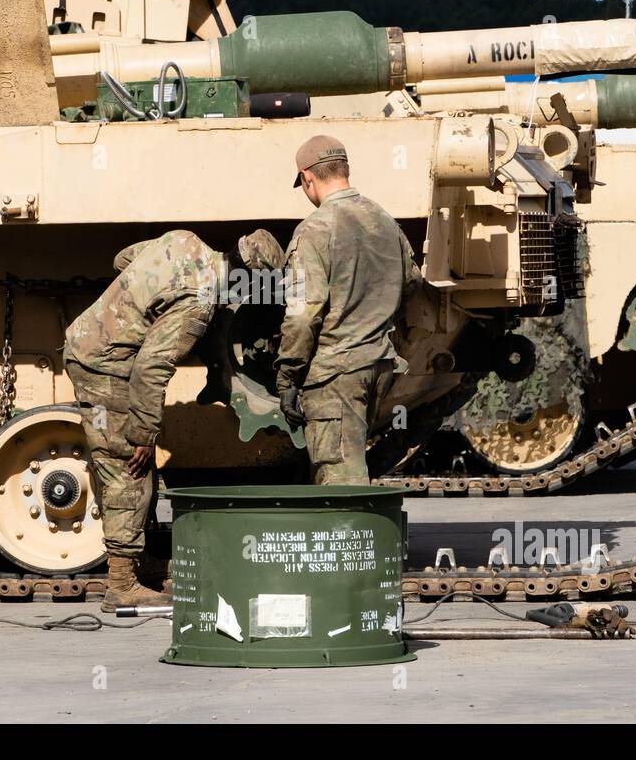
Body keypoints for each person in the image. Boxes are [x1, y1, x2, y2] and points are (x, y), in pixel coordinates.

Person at [65, 228, 285, 611]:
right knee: (127, 466)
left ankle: (136, 559)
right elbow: (151, 368)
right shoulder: (199, 303)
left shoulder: (185, 240)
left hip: (90, 346)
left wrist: (137, 303)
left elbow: (123, 258)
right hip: (103, 366)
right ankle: (121, 584)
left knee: (133, 465)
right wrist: (143, 433)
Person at [275, 135, 422, 484]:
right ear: (345, 170)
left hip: (336, 373)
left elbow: (303, 314)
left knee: (340, 480)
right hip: (379, 365)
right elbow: (412, 283)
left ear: (308, 178)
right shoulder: (384, 220)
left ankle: (355, 538)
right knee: (355, 462)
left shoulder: (314, 230)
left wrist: (288, 379)